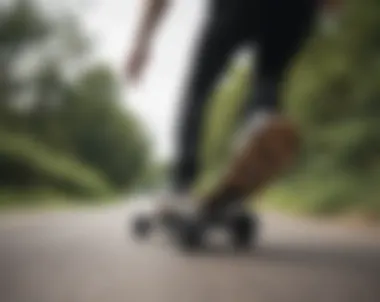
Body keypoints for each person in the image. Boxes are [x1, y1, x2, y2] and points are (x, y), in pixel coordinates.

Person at [125, 0, 341, 210]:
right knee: (269, 78)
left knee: (198, 90)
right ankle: (260, 123)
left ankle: (182, 182)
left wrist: (141, 42)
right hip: (297, 8)